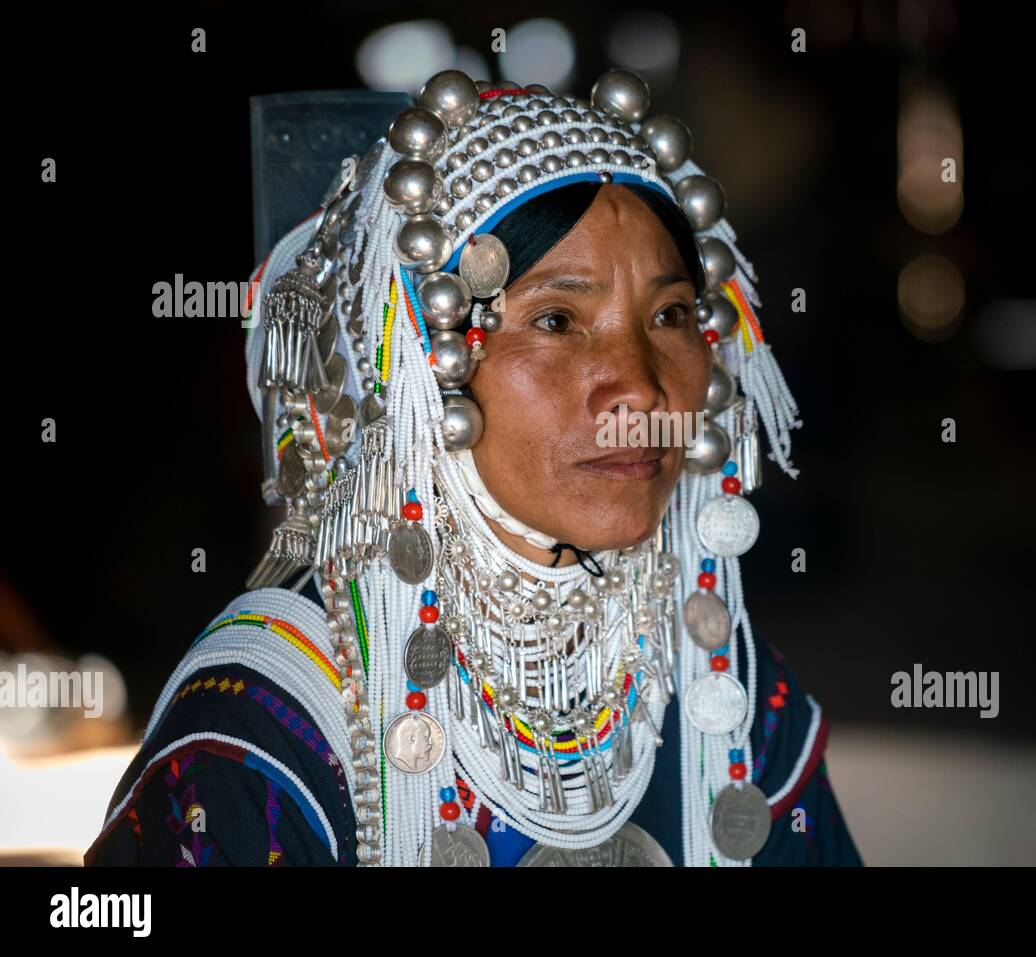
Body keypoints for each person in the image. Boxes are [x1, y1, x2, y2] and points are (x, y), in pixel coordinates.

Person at [84, 68, 862, 867]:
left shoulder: (724, 697)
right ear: (419, 368)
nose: (637, 382)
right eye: (556, 320)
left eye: (669, 314)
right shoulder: (266, 733)